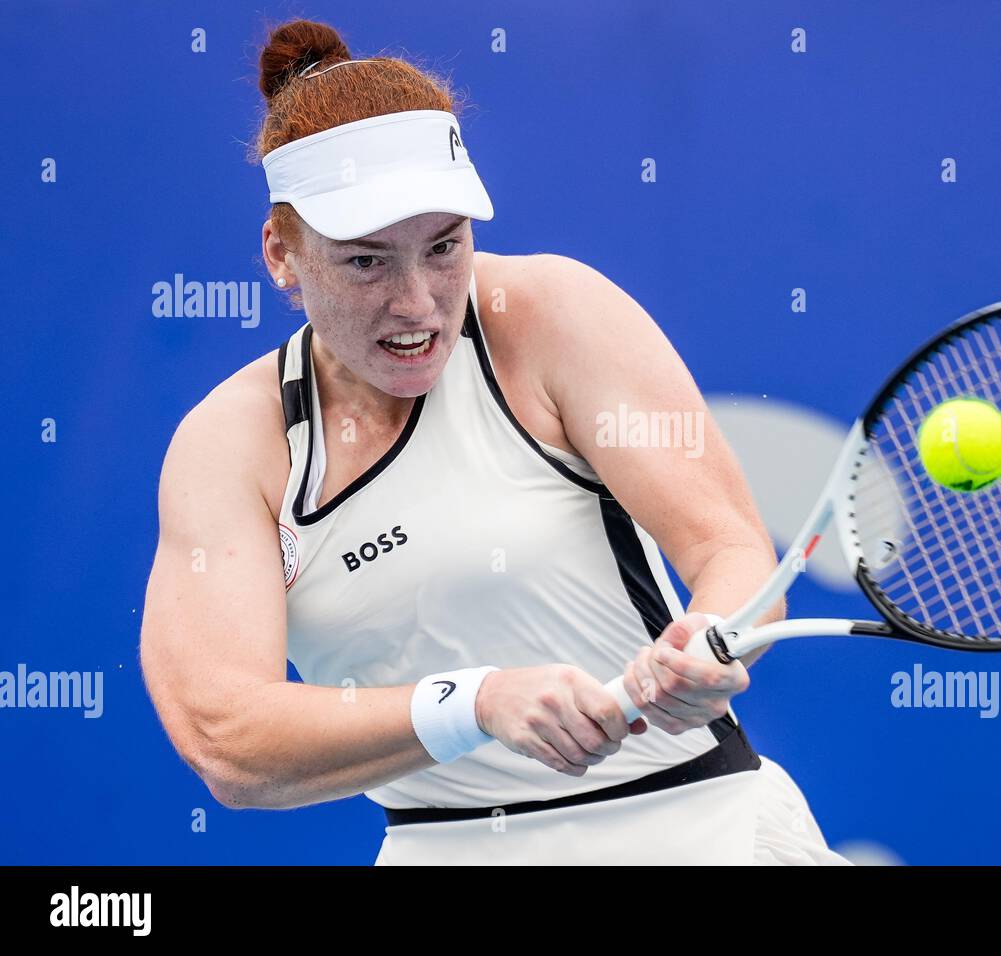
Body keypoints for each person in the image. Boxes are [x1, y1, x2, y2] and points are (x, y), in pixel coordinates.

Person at [140, 17, 851, 865]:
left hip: (707, 830)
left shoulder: (551, 315)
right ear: (280, 254)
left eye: (444, 247)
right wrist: (472, 703)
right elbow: (225, 739)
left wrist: (710, 638)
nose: (418, 303)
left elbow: (728, 545)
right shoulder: (231, 444)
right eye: (367, 262)